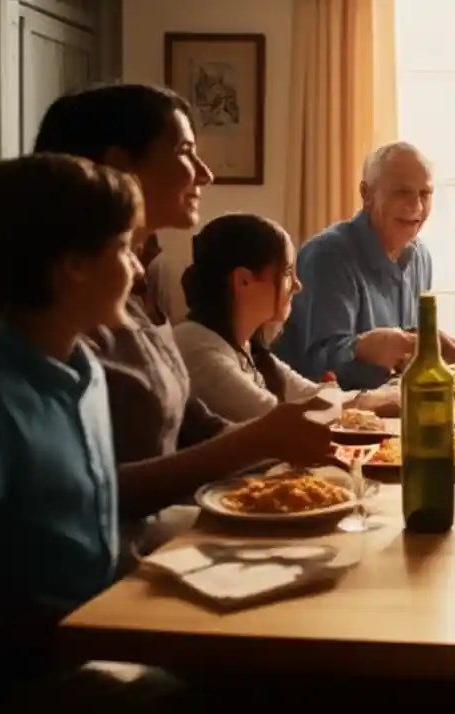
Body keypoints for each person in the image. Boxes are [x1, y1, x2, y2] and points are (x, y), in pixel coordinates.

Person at [0, 154, 189, 714]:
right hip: (25, 679)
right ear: (73, 266)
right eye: (125, 249)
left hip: (100, 632)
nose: (135, 268)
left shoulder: (85, 373)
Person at [32, 84, 334, 524]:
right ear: (120, 168)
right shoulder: (59, 323)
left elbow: (201, 427)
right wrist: (262, 440)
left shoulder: (130, 308)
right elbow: (78, 496)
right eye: (186, 151)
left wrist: (281, 444)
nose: (205, 173)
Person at [275, 141, 455, 390]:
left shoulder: (421, 256)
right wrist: (362, 349)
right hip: (328, 416)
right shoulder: (328, 256)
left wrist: (431, 346)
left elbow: (408, 358)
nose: (417, 207)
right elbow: (313, 364)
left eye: (425, 194)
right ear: (366, 194)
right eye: (402, 192)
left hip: (392, 410)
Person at [174, 213, 399, 422]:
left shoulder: (247, 348)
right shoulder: (198, 349)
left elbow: (312, 394)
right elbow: (279, 423)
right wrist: (374, 404)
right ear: (243, 281)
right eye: (287, 274)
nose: (297, 286)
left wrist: (388, 397)